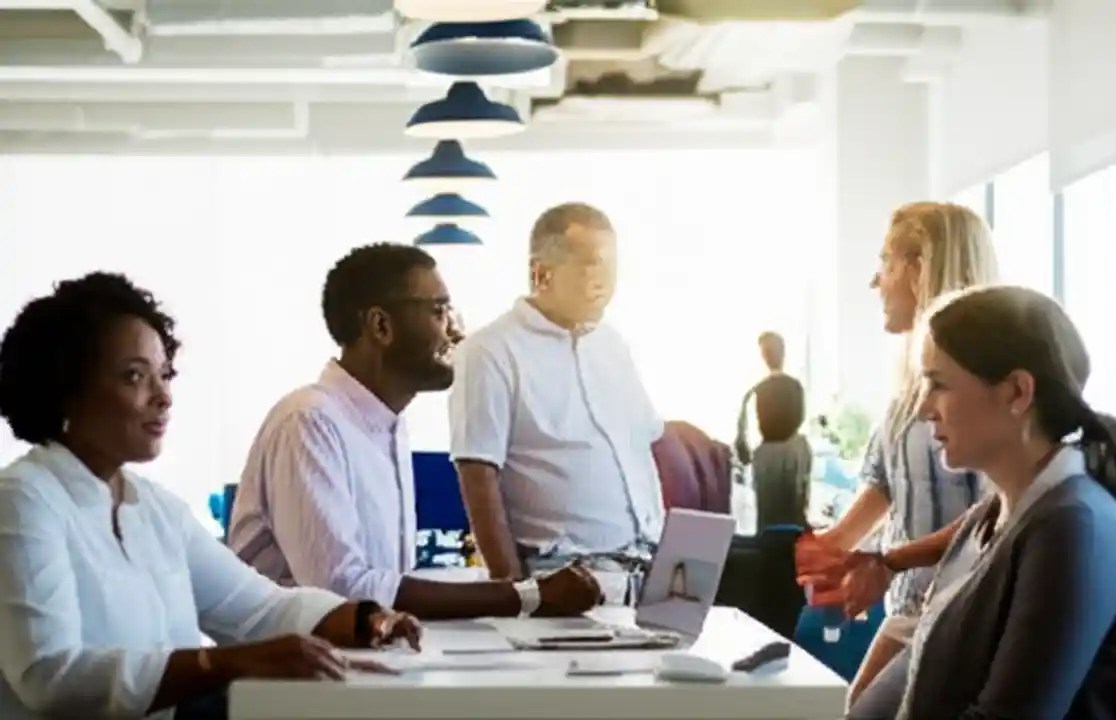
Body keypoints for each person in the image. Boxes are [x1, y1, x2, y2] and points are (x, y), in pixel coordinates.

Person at [0, 273, 421, 720]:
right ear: (66, 389)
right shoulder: (24, 500)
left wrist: (367, 619)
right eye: (134, 376)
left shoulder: (152, 508)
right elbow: (51, 676)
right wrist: (223, 663)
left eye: (165, 375)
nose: (162, 397)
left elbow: (258, 608)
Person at [228, 244, 600, 621]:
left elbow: (389, 583)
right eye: (439, 312)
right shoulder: (309, 422)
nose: (456, 330)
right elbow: (341, 592)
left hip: (355, 662)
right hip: (284, 676)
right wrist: (525, 596)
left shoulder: (385, 426)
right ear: (381, 326)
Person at [858, 284, 1116, 719]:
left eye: (939, 384)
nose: (924, 409)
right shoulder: (994, 518)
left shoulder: (1076, 529)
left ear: (1018, 393)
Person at [795, 202, 999, 703]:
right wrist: (828, 551)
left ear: (920, 268)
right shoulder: (907, 390)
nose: (875, 282)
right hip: (911, 606)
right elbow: (884, 488)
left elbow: (996, 512)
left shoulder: (977, 383)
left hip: (957, 610)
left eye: (886, 263)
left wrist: (890, 559)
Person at [450, 203, 665, 581]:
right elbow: (477, 474)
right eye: (592, 265)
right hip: (559, 578)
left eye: (611, 267)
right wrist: (515, 593)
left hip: (646, 571)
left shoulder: (613, 345)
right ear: (541, 273)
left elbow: (641, 450)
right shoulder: (491, 351)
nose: (606, 281)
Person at [734, 331, 811, 530]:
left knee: (769, 515)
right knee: (794, 511)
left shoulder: (756, 391)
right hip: (791, 452)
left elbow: (742, 439)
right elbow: (800, 416)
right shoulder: (794, 387)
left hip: (767, 455)